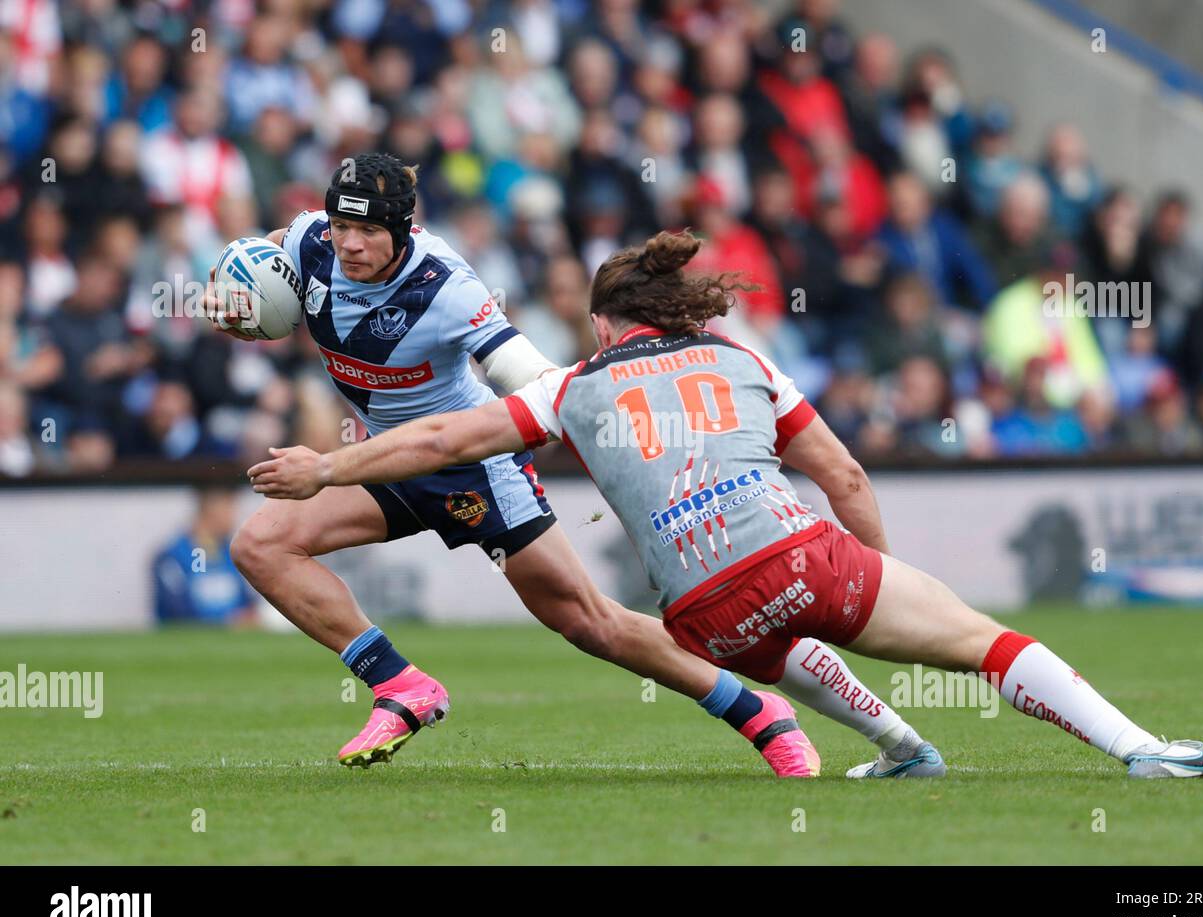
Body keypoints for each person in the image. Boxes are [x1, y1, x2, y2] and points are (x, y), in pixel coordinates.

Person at [249, 230, 1203, 780]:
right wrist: (877, 577)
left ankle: (898, 745)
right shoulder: (745, 358)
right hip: (806, 558)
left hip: (703, 617)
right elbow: (846, 478)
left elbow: (440, 440)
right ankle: (1141, 750)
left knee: (771, 641)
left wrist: (328, 469)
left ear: (605, 322)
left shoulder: (570, 386)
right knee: (987, 643)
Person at [205, 153, 821, 775]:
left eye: (368, 232)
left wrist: (612, 413)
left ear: (404, 229)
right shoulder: (315, 238)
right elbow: (271, 250)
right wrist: (236, 295)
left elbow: (523, 374)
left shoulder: (447, 286)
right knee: (261, 545)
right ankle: (400, 685)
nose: (350, 244)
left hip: (476, 465)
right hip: (385, 460)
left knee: (589, 623)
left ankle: (758, 713)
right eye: (341, 227)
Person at [153, 487, 256, 625]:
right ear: (212, 510)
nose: (234, 516)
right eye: (230, 508)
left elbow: (245, 602)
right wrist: (226, 623)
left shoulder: (230, 553)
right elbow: (176, 611)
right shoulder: (172, 557)